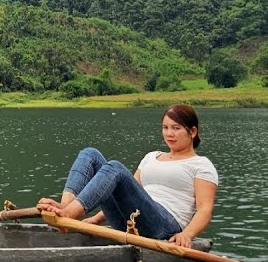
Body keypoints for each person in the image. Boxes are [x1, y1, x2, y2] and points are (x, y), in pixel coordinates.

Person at [37, 104, 218, 246]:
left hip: (164, 226)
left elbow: (204, 209)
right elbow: (124, 193)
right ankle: (66, 208)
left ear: (192, 132)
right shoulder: (151, 157)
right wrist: (94, 220)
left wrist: (187, 234)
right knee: (90, 154)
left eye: (176, 128)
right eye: (165, 127)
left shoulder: (201, 165)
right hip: (131, 221)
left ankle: (68, 215)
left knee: (115, 168)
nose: (169, 133)